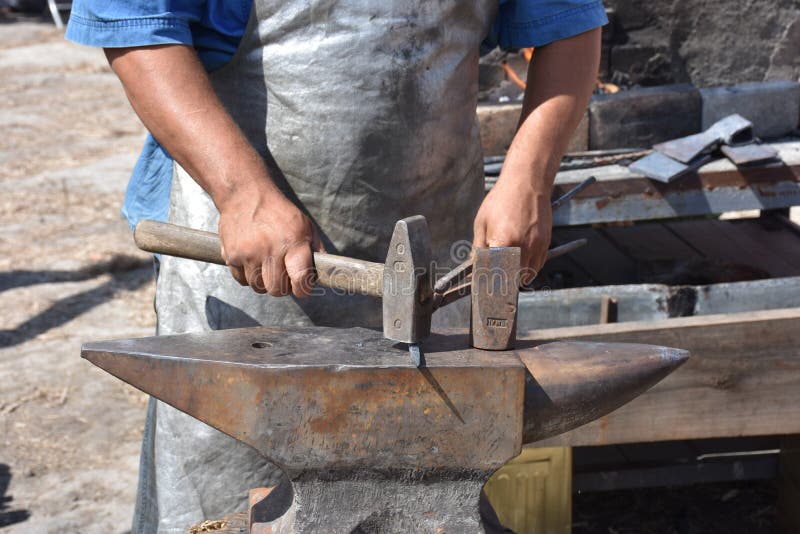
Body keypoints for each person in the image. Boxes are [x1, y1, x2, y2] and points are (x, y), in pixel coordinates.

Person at [66, 1, 605, 532]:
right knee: (225, 493)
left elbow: (569, 25)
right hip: (246, 268)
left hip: (438, 258)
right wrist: (242, 192)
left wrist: (528, 177)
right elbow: (136, 27)